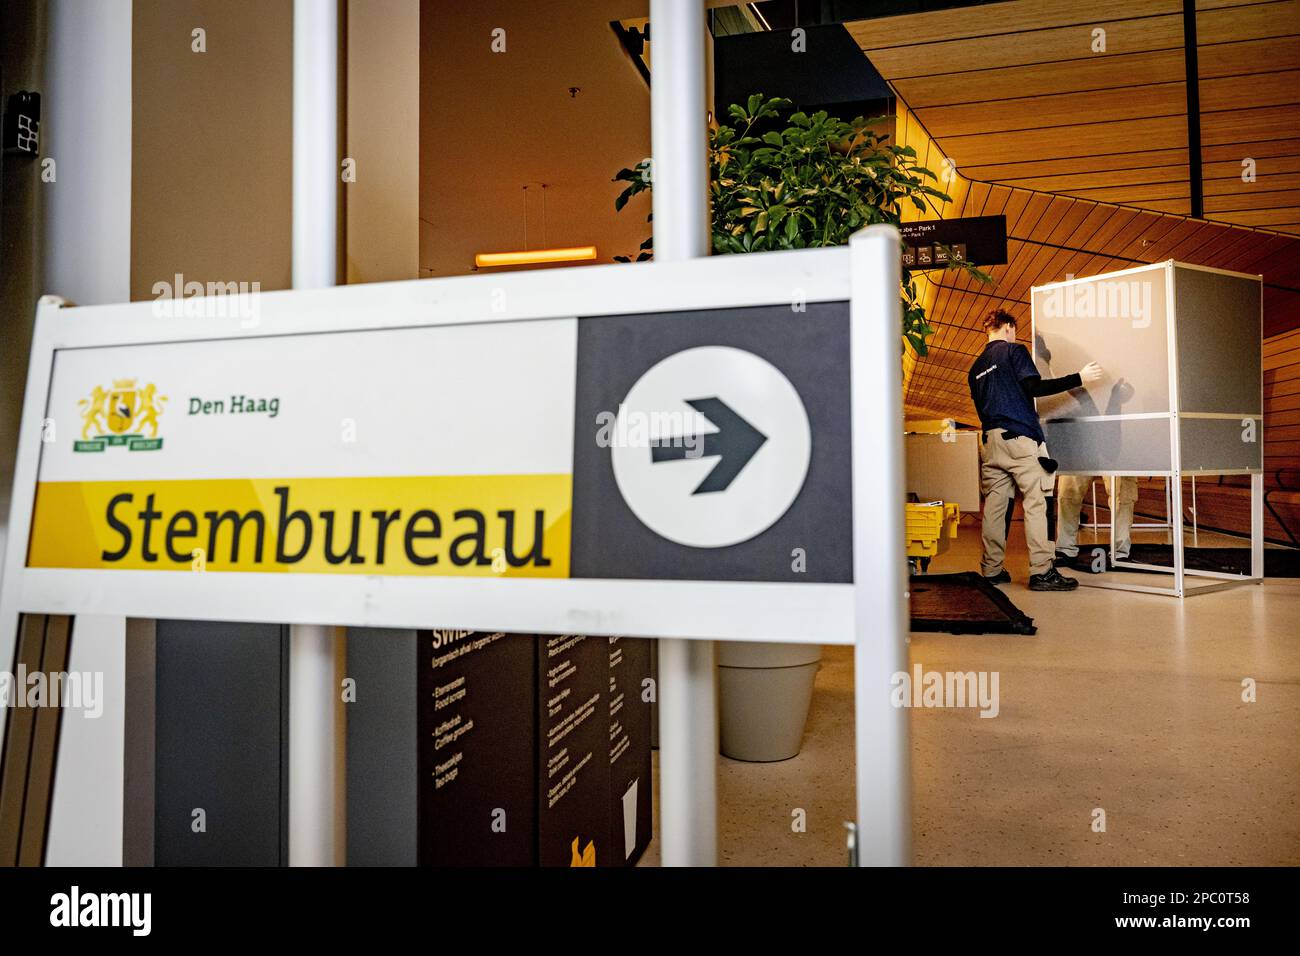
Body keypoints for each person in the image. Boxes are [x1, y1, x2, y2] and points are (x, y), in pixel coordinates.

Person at [967, 309, 1104, 591]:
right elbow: (1035, 387)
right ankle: (1042, 571)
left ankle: (991, 570)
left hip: (990, 443)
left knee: (995, 506)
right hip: (1019, 438)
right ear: (1008, 327)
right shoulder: (1014, 352)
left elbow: (981, 408)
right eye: (1013, 330)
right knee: (1036, 502)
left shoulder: (975, 368)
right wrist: (1080, 377)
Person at [1056, 474, 1139, 569]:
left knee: (1123, 493)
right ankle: (1065, 549)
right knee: (1067, 489)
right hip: (1082, 458)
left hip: (1119, 459)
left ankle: (1120, 552)